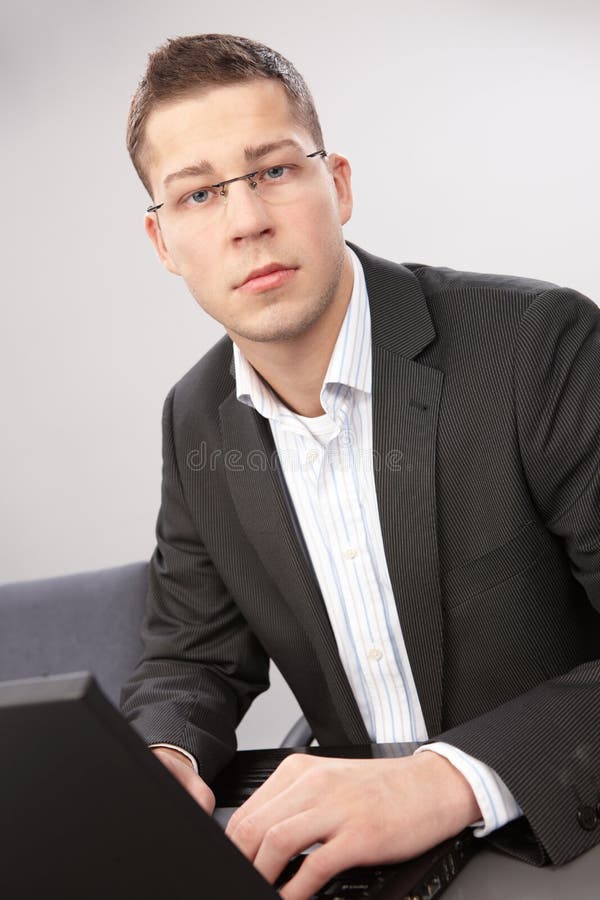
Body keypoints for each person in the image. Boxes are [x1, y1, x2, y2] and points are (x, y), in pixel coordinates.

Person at [120, 32, 600, 900]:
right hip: (365, 861)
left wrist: (447, 778)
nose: (246, 220)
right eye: (198, 195)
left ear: (335, 184)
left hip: (558, 820)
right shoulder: (194, 417)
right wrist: (164, 754)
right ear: (162, 241)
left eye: (272, 170)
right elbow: (192, 656)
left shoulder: (538, 347)